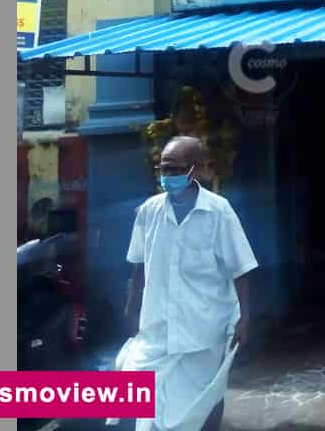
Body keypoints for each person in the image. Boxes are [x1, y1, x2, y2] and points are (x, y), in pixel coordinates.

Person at [116, 136, 258, 431]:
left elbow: (240, 267)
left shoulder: (218, 211)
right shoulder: (148, 212)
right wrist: (131, 304)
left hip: (205, 329)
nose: (167, 176)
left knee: (207, 396)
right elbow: (138, 263)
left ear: (193, 170)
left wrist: (245, 318)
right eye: (163, 169)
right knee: (149, 399)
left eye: (174, 170)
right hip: (157, 329)